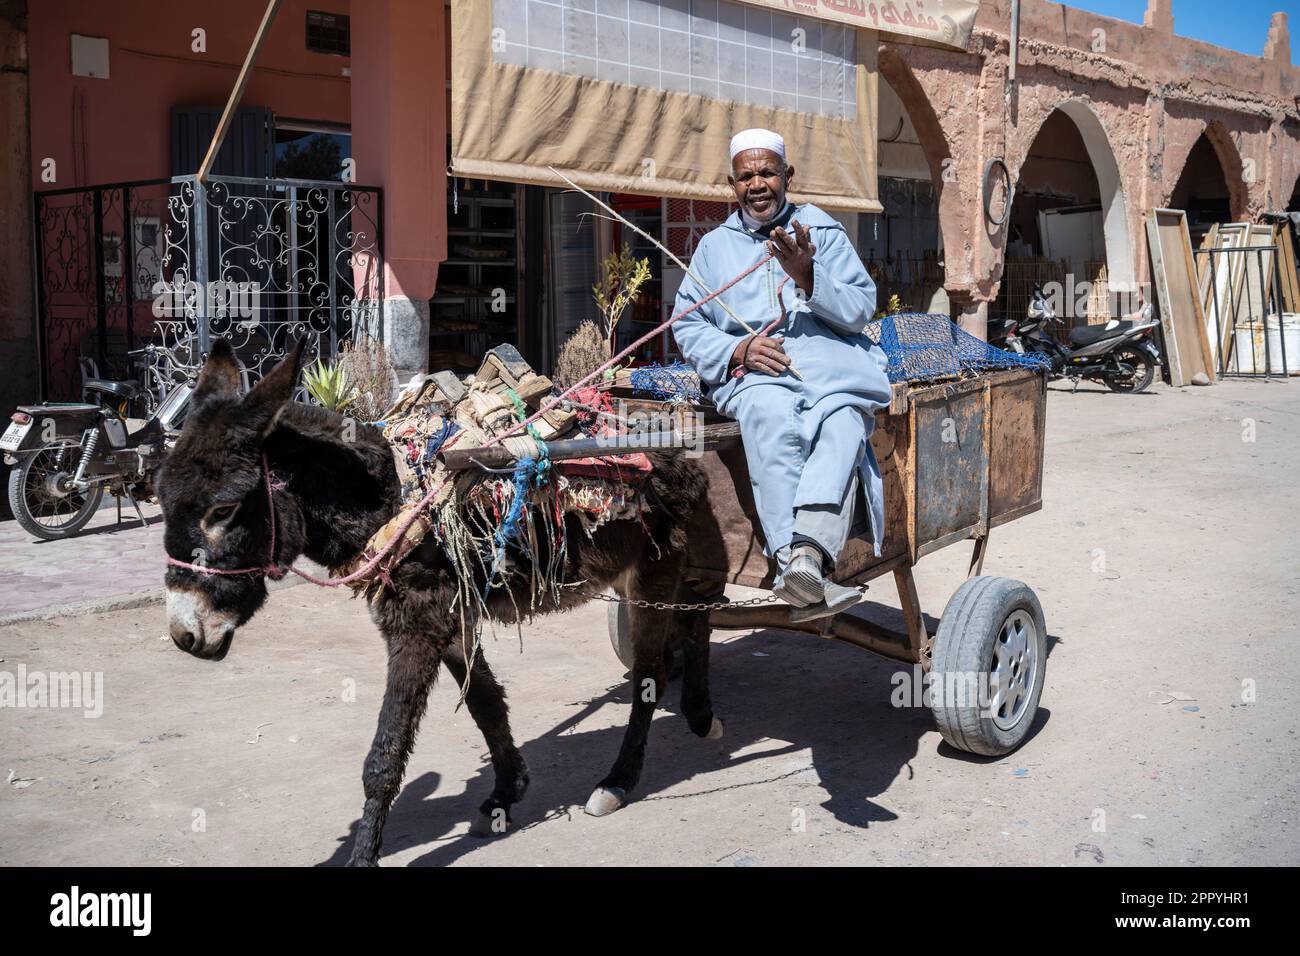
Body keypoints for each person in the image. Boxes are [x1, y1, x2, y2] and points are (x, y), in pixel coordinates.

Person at [672, 128, 892, 621]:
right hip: (755, 378)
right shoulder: (713, 248)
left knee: (844, 422)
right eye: (746, 175)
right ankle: (789, 559)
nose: (758, 184)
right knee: (767, 410)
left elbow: (860, 309)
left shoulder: (823, 232)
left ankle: (809, 555)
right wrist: (739, 348)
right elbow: (687, 324)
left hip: (829, 372)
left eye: (768, 172)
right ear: (732, 184)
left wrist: (808, 275)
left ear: (787, 176)